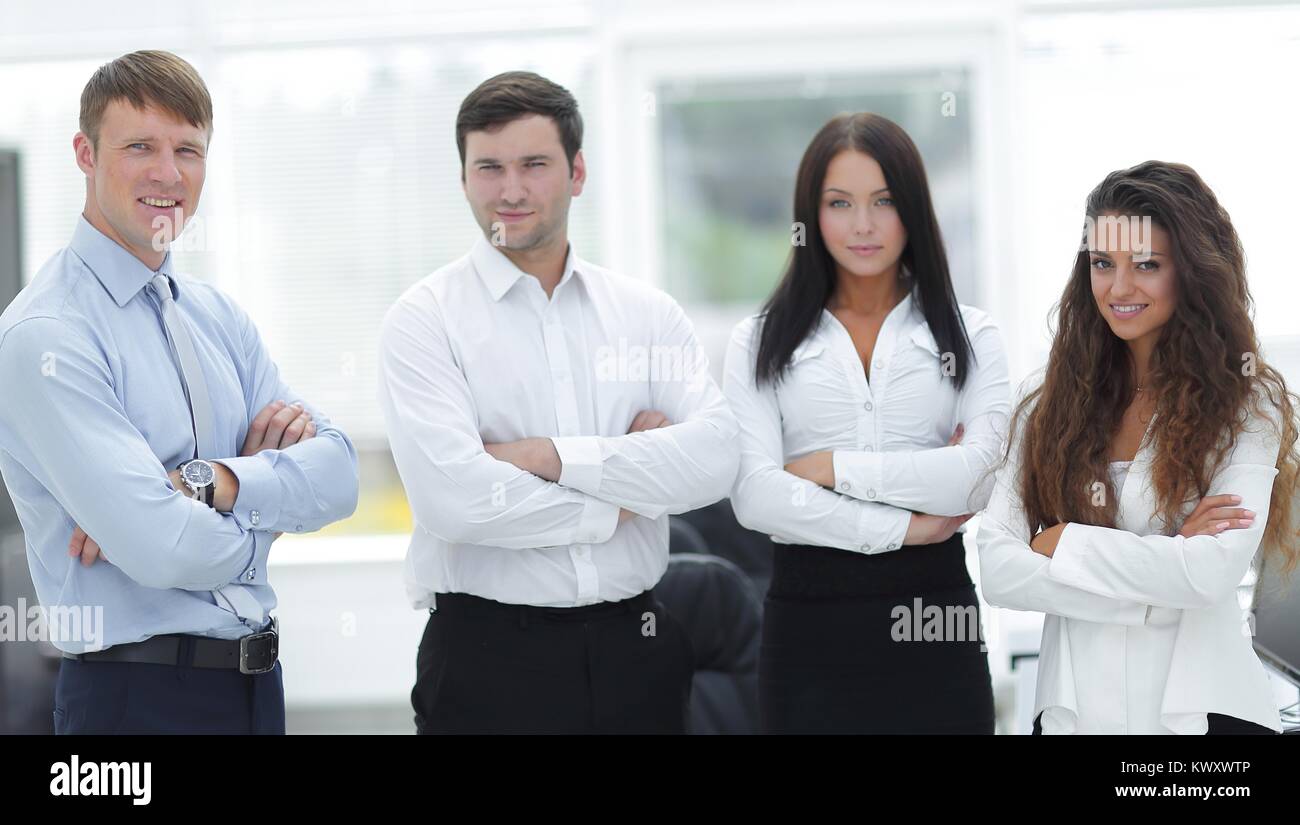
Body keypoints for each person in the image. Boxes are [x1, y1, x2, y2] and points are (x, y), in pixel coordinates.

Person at [0, 50, 359, 734]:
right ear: (84, 152)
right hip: (134, 702)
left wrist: (208, 482)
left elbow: (338, 474)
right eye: (141, 146)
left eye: (188, 150)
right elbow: (162, 547)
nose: (168, 173)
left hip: (256, 691)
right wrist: (275, 515)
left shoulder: (217, 317)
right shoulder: (46, 336)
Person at [377, 70, 739, 734]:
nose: (510, 190)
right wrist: (627, 488)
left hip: (637, 646)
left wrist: (544, 458)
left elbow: (716, 457)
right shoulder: (423, 320)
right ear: (463, 179)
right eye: (488, 167)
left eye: (533, 165)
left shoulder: (644, 314)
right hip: (486, 660)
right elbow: (454, 500)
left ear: (576, 173)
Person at [977, 160, 1299, 735]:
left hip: (1206, 719)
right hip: (1074, 715)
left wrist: (1062, 542)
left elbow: (1210, 576)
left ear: (1193, 271)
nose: (1119, 288)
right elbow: (999, 571)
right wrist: (1159, 582)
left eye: (1146, 265)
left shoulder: (1248, 404)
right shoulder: (1044, 400)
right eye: (1103, 264)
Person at [723, 112, 1009, 733]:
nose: (862, 225)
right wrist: (907, 527)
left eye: (883, 201)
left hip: (937, 621)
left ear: (913, 209)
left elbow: (975, 479)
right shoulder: (756, 343)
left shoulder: (973, 335)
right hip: (808, 627)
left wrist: (830, 469)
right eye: (839, 203)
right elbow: (754, 496)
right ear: (810, 215)